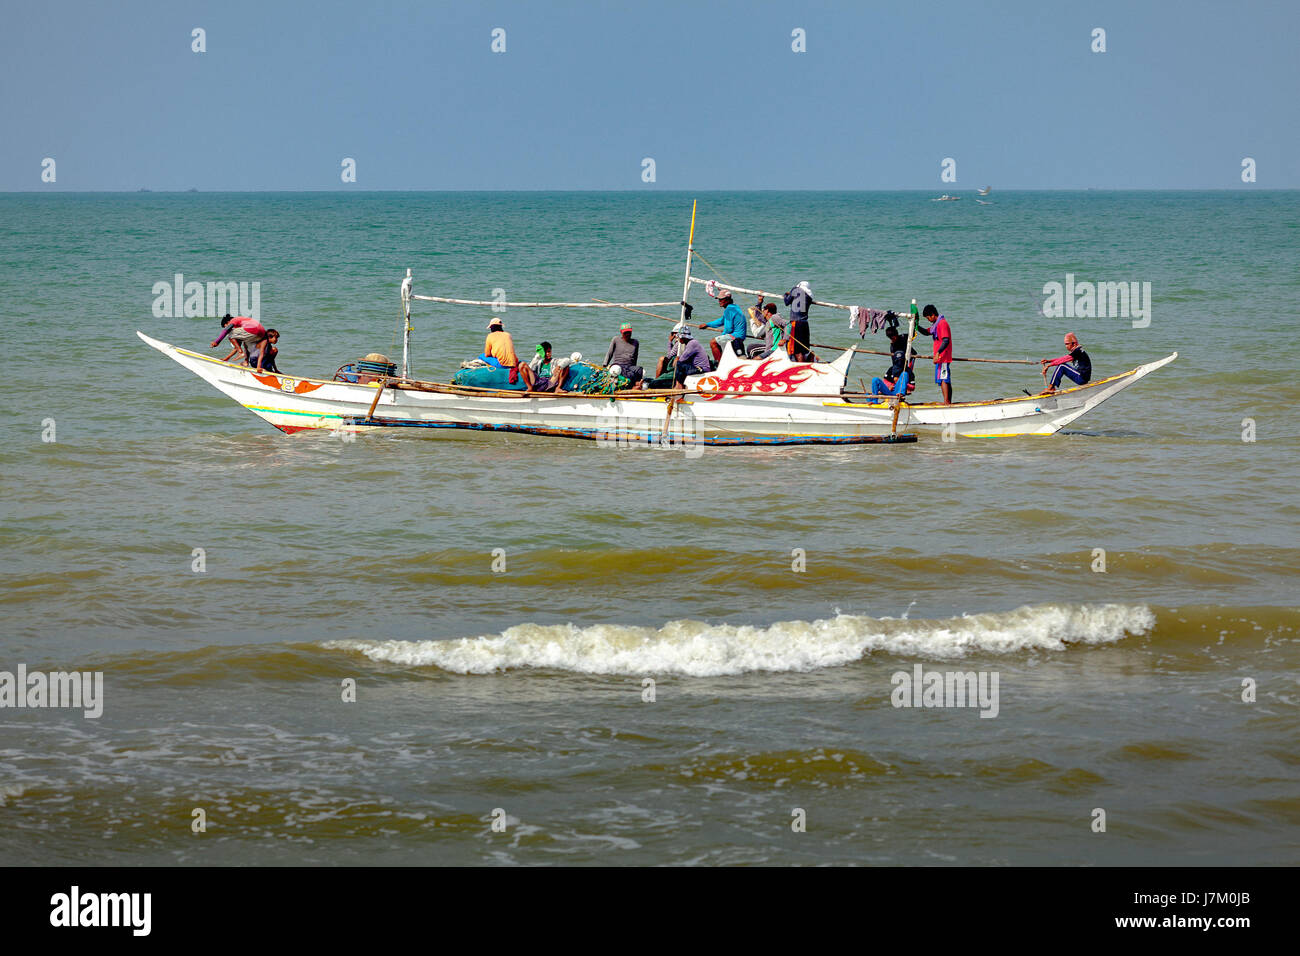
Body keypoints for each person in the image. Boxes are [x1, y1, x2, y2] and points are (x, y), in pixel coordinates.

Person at [482, 316, 535, 388]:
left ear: (491, 327)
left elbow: (487, 354)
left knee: (482, 356)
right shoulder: (508, 335)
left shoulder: (490, 336)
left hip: (502, 364)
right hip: (513, 363)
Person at [916, 304, 953, 403]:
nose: (928, 319)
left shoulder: (942, 323)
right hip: (940, 357)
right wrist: (915, 325)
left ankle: (946, 402)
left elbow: (946, 340)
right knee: (942, 379)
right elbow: (926, 332)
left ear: (932, 315)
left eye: (928, 317)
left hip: (943, 356)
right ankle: (947, 401)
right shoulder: (935, 325)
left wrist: (938, 353)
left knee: (944, 378)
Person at [699, 289, 747, 362]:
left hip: (736, 335)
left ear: (727, 300)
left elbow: (728, 329)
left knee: (713, 342)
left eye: (721, 299)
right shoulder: (734, 307)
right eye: (719, 300)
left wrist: (722, 335)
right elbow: (722, 321)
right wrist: (707, 324)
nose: (719, 301)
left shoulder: (729, 310)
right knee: (719, 340)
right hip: (740, 335)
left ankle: (718, 364)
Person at [870, 327, 916, 396]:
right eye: (891, 338)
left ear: (896, 335)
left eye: (893, 337)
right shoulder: (892, 347)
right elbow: (885, 380)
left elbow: (912, 334)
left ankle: (902, 391)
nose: (892, 339)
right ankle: (873, 401)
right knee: (875, 380)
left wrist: (915, 324)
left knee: (905, 374)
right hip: (890, 390)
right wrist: (890, 386)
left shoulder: (903, 337)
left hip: (909, 357)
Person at [782, 281, 815, 361]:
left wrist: (786, 295)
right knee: (804, 349)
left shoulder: (796, 289)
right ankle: (809, 360)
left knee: (796, 350)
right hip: (805, 324)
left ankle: (801, 367)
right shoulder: (809, 296)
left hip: (796, 323)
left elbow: (787, 302)